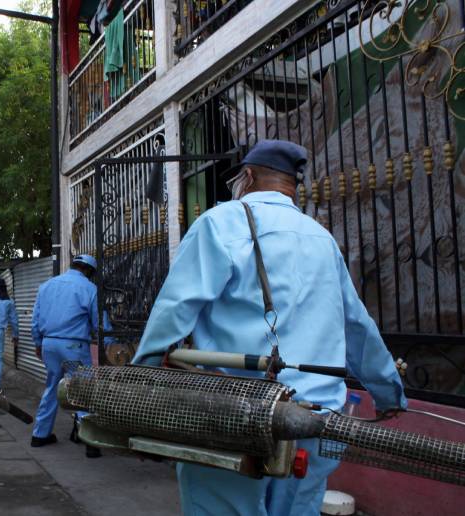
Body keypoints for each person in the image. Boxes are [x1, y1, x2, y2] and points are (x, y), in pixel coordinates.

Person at [131, 140, 407, 516]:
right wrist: (389, 392)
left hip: (238, 419)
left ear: (246, 177)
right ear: (292, 185)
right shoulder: (321, 238)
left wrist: (138, 382)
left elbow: (175, 310)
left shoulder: (220, 222)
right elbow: (357, 326)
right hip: (317, 422)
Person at [30, 255, 102, 457]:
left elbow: (35, 321)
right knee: (81, 389)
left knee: (52, 387)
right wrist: (109, 342)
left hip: (49, 344)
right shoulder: (89, 288)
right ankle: (89, 441)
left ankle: (40, 435)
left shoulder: (46, 286)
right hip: (74, 345)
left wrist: (38, 343)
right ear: (88, 271)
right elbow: (99, 323)